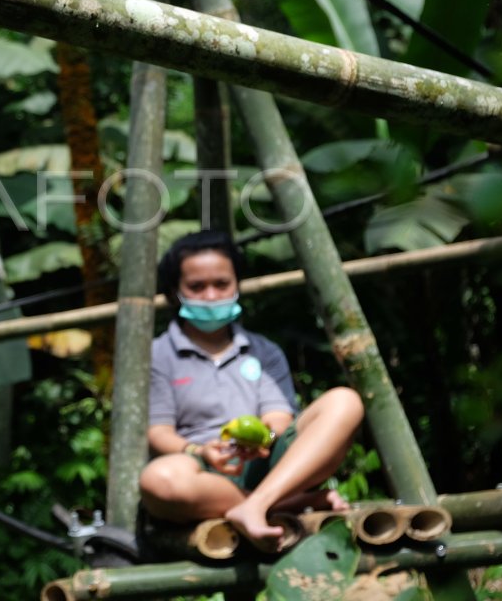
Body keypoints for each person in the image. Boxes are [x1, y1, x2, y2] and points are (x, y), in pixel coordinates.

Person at [139, 230, 365, 550]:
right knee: (157, 480)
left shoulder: (264, 350)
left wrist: (264, 438)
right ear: (176, 292)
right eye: (197, 287)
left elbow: (279, 416)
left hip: (270, 465)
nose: (211, 295)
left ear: (236, 285)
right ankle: (279, 505)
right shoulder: (157, 355)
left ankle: (258, 503)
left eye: (221, 284)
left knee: (345, 401)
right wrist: (199, 451)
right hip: (202, 472)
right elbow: (159, 431)